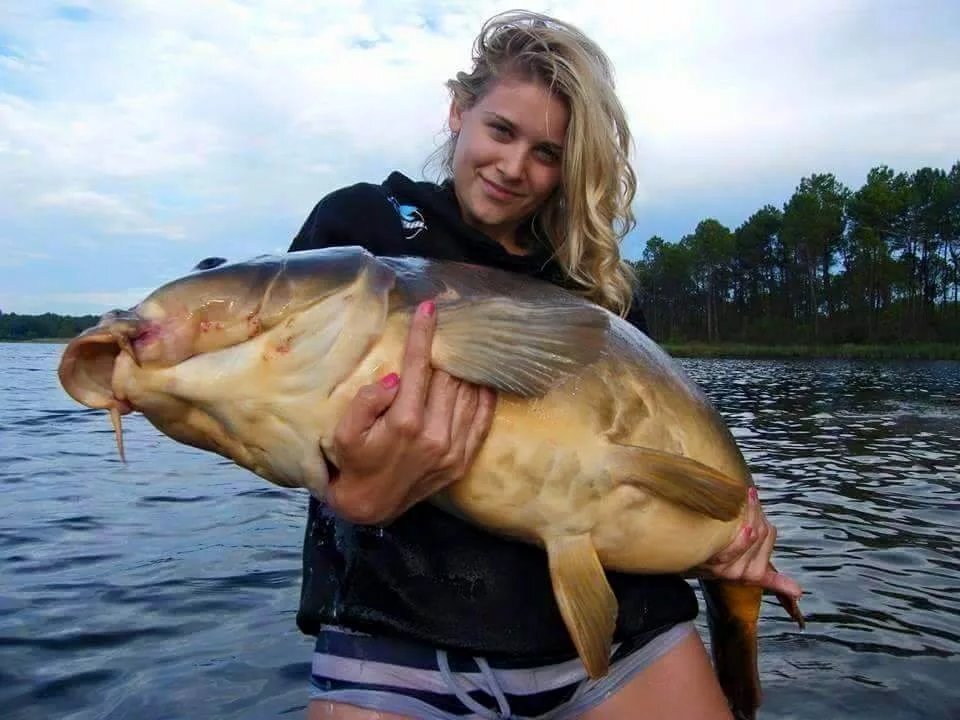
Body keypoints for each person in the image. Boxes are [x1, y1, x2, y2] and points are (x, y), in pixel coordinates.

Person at [288, 10, 801, 720]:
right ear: (458, 111)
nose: (513, 168)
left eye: (547, 153)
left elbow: (654, 459)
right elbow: (290, 405)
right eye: (500, 130)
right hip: (397, 637)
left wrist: (727, 549)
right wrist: (348, 490)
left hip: (622, 638)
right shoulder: (362, 231)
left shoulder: (601, 286)